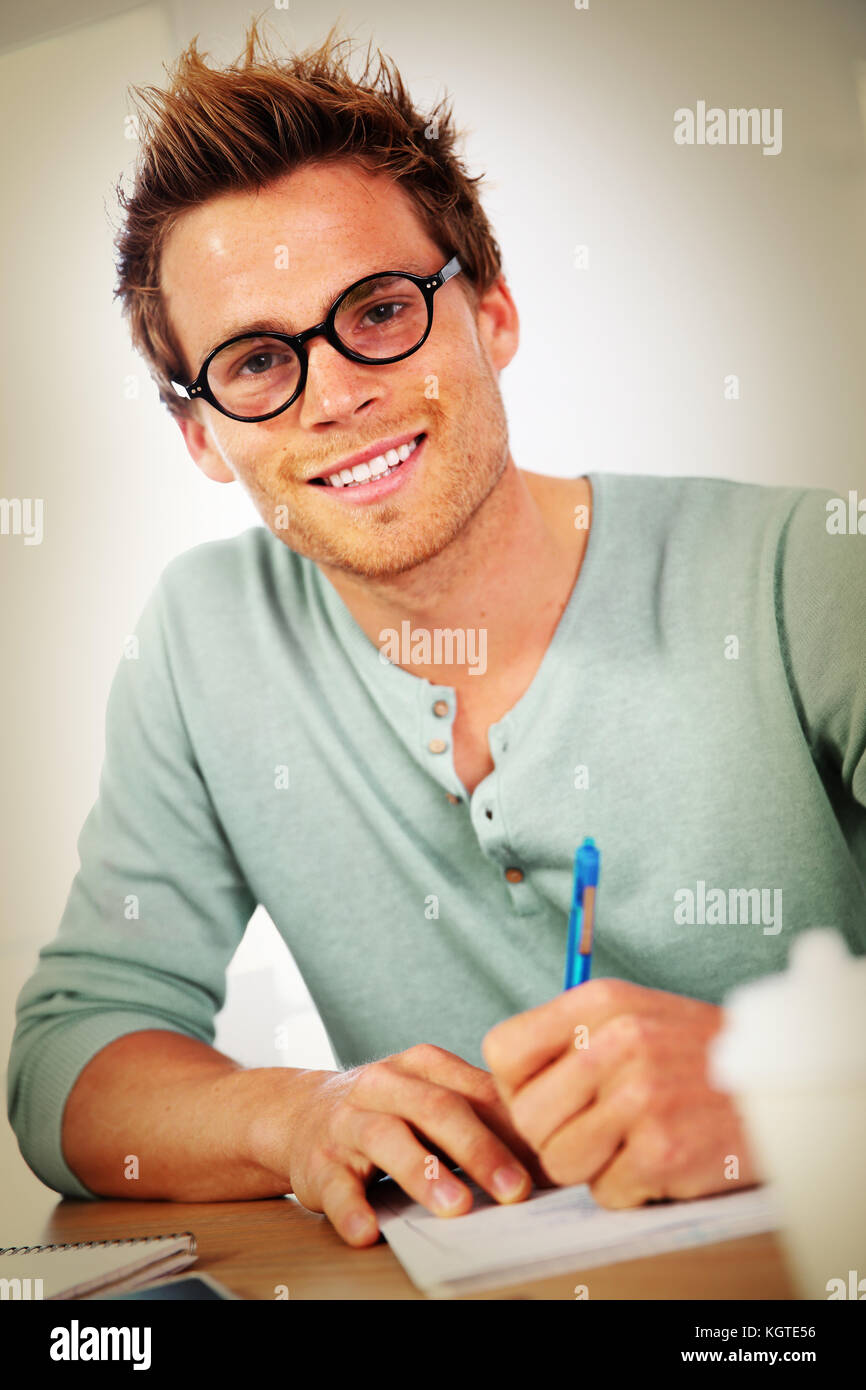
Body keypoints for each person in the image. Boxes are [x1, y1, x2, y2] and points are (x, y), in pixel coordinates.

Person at [8, 20, 865, 1249]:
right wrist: (292, 1116)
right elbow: (68, 1061)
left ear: (493, 313)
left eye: (376, 309)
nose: (332, 394)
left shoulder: (806, 577)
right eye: (255, 361)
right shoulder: (202, 641)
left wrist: (781, 1083)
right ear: (202, 437)